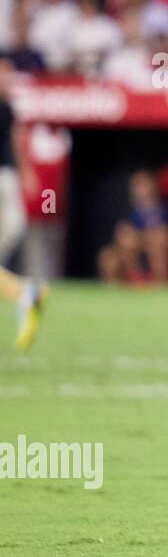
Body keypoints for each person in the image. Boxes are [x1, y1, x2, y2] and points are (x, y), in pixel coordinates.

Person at [0, 59, 45, 350]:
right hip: (7, 180)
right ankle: (24, 293)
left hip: (4, 179)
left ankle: (23, 293)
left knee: (13, 231)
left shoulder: (6, 107)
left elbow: (15, 139)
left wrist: (27, 171)